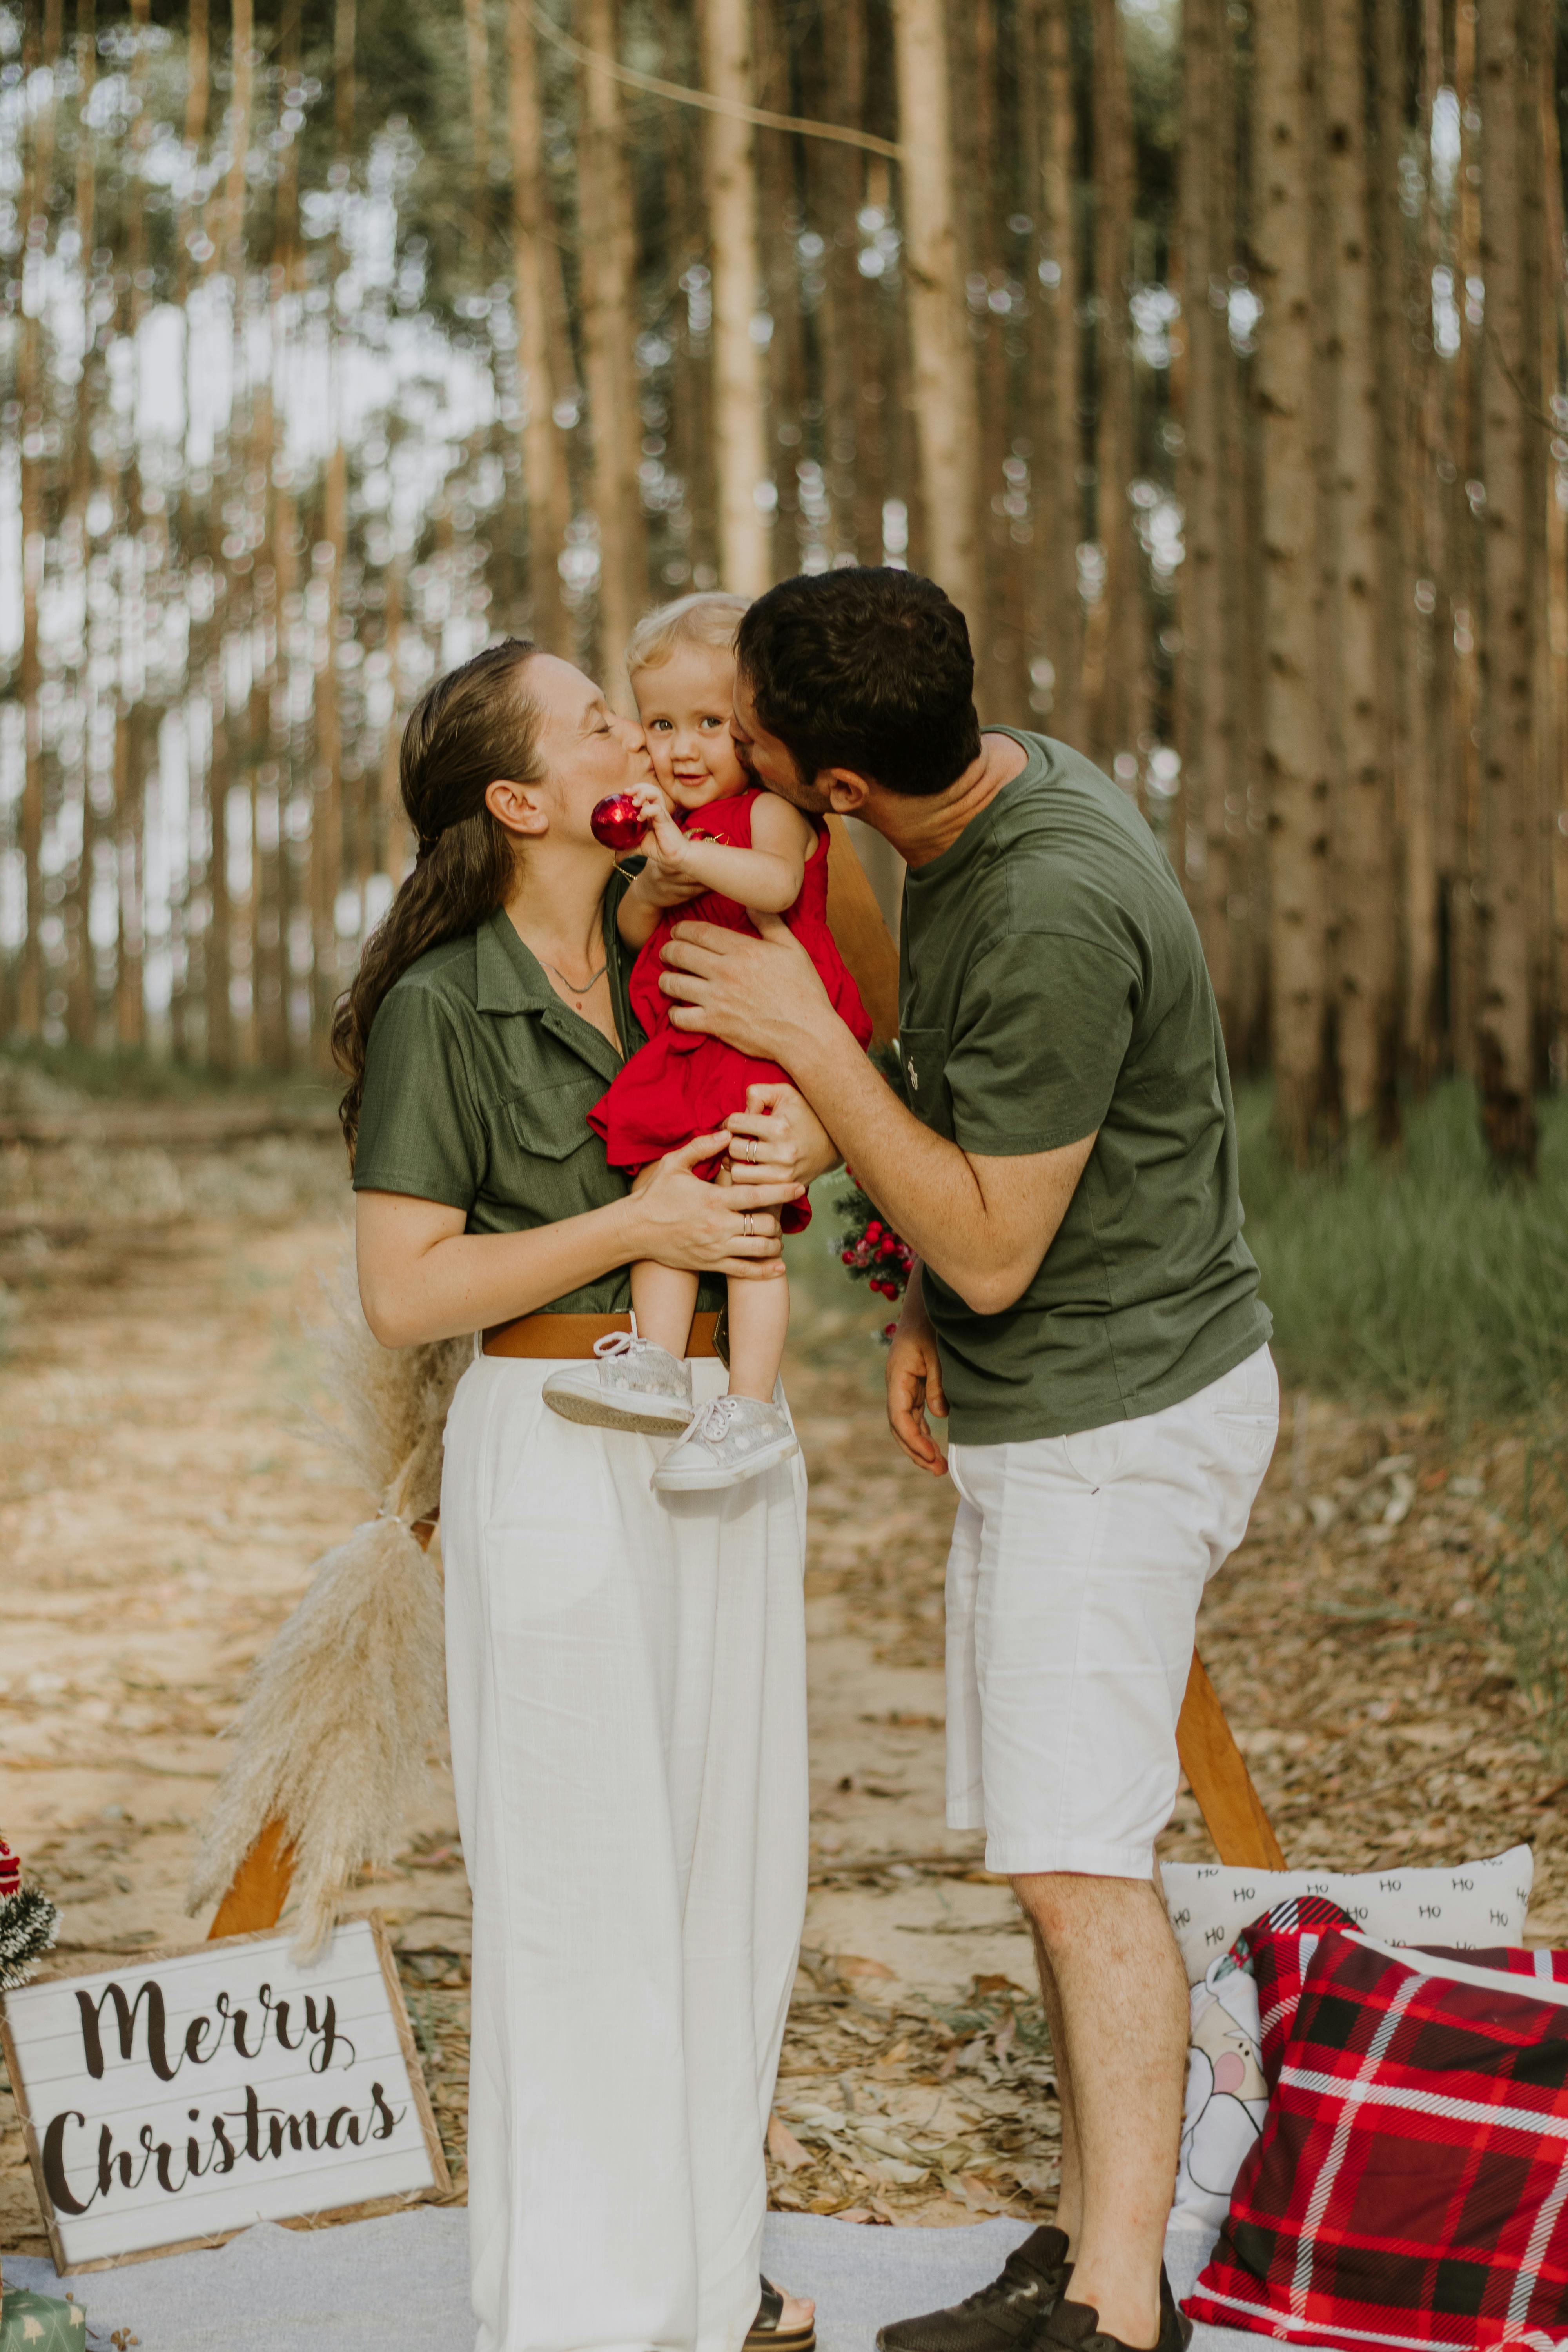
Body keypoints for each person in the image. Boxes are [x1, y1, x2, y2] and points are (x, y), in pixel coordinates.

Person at [655, 568, 1279, 2352]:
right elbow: (977, 1184)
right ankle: (1082, 2254)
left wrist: (802, 1035)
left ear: (836, 786)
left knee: (1083, 1863)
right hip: (1046, 1402)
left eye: (756, 739)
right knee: (1044, 1846)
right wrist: (918, 1295)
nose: (737, 764)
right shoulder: (974, 806)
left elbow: (1002, 1234)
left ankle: (1113, 2317)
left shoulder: (1053, 904)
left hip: (1116, 1423)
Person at [334, 636, 827, 2352]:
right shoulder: (437, 1005)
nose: (647, 737)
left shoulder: (689, 942)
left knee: (729, 1877)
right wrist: (639, 1231)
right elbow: (407, 1292)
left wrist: (802, 1150)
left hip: (723, 1443)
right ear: (524, 799)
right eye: (599, 720)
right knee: (578, 1892)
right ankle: (583, 2313)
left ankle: (705, 2280)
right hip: (551, 1437)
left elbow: (836, 1077)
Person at [542, 592, 872, 1494]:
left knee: (748, 1229)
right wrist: (656, 868)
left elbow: (769, 885)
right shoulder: (673, 838)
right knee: (666, 1201)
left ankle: (753, 1404)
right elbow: (638, 927)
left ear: (754, 731)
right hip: (691, 1062)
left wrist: (689, 857)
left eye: (709, 724)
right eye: (660, 724)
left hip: (759, 1063)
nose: (682, 748)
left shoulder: (771, 815)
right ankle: (653, 1364)